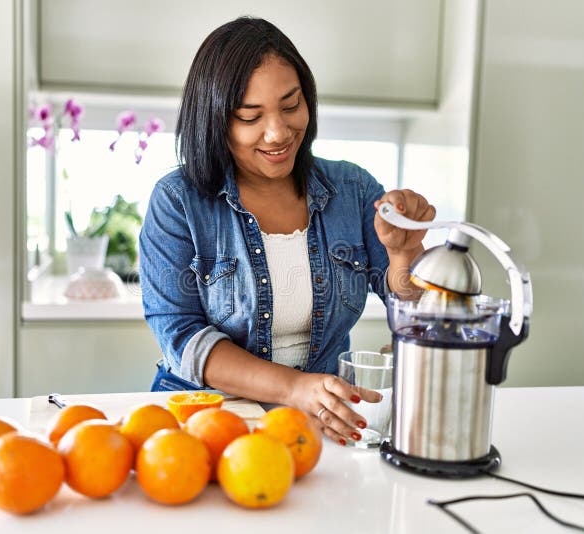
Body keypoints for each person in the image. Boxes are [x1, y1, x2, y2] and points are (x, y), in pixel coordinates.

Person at [139, 17, 435, 446]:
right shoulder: (178, 201)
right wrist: (295, 388)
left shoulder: (351, 190)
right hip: (206, 425)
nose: (278, 133)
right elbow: (184, 340)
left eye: (291, 105)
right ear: (215, 120)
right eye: (249, 116)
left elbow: (406, 300)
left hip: (316, 426)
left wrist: (404, 259)